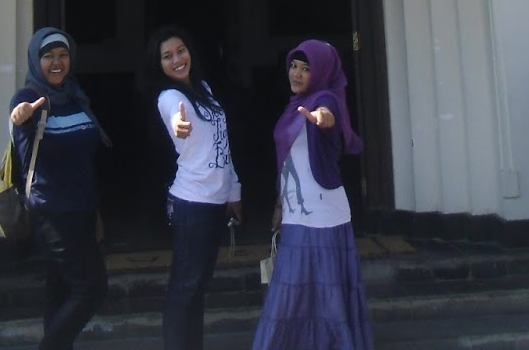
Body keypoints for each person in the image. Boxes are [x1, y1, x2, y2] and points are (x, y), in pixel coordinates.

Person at [251, 39, 374, 350]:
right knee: (296, 292)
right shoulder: (294, 107)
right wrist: (280, 204)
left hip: (322, 213)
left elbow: (327, 114)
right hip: (296, 212)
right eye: (294, 65)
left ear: (321, 72)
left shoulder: (326, 99)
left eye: (306, 68)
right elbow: (288, 162)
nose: (297, 73)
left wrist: (322, 118)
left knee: (319, 293)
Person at [10, 27, 110, 350]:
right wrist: (21, 115)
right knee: (91, 288)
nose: (57, 63)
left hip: (82, 208)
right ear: (35, 60)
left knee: (60, 290)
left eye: (63, 55)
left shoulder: (74, 96)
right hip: (53, 211)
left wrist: (95, 212)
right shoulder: (28, 97)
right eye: (48, 56)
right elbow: (18, 117)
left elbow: (85, 160)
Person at [144, 25, 242, 350]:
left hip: (214, 201)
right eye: (167, 56)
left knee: (199, 287)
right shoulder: (169, 97)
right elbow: (176, 118)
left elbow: (221, 144)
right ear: (158, 64)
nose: (177, 60)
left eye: (180, 51)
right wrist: (178, 125)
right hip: (191, 203)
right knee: (184, 287)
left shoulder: (203, 87)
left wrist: (234, 191)